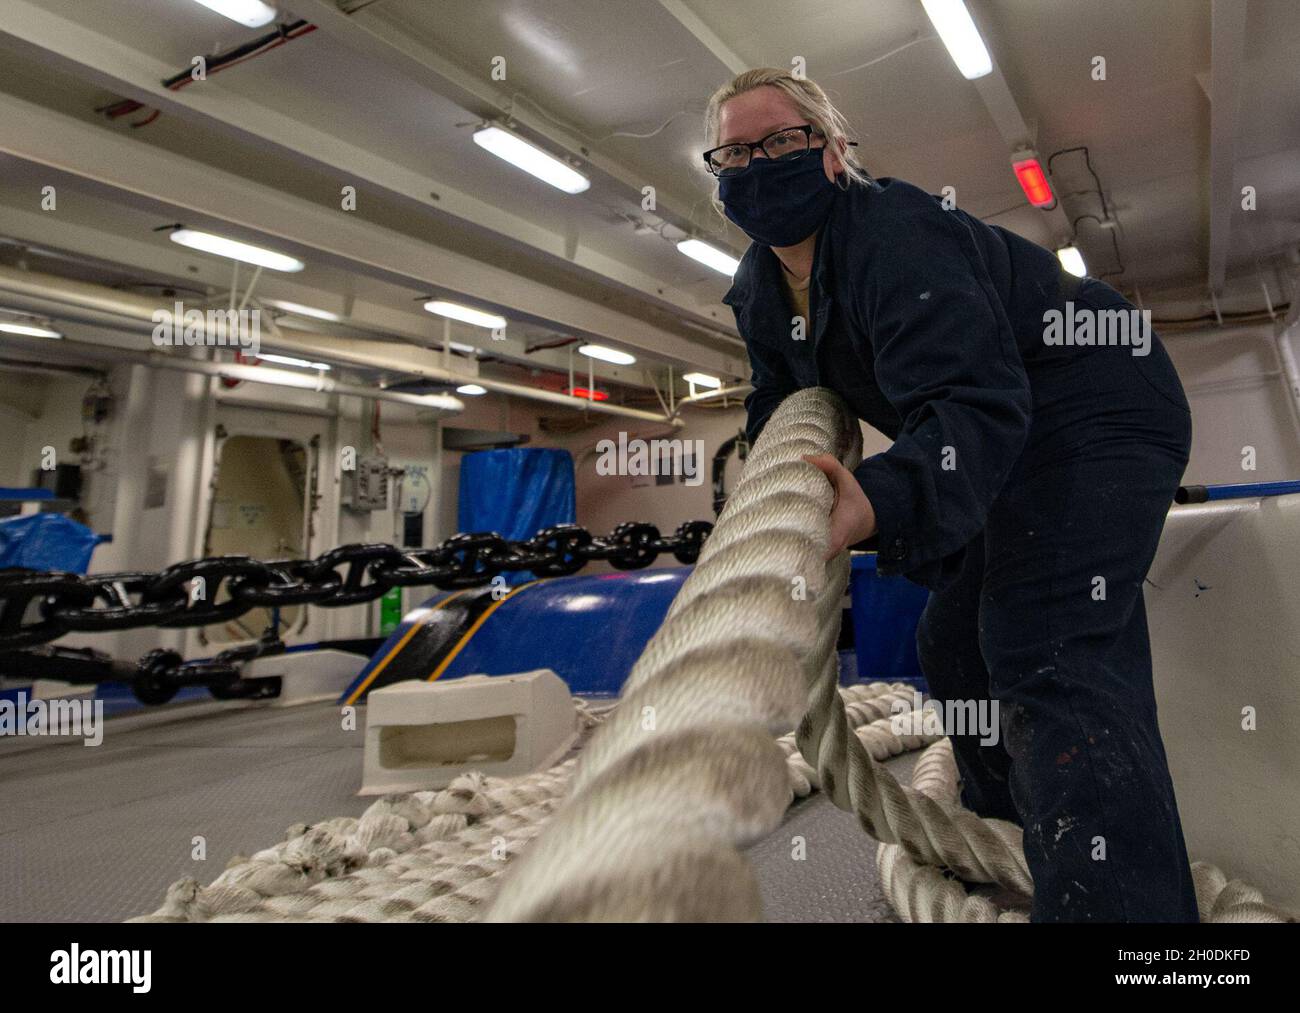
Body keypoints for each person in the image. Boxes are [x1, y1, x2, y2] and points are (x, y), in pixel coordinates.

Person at [705, 68, 1199, 922]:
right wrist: (768, 497)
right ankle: (1008, 841)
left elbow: (973, 400)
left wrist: (878, 499)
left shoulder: (895, 232)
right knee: (953, 639)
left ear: (834, 150)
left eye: (783, 140)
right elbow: (777, 407)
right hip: (1007, 434)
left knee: (1046, 638)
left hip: (1098, 401)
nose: (760, 163)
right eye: (736, 151)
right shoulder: (758, 289)